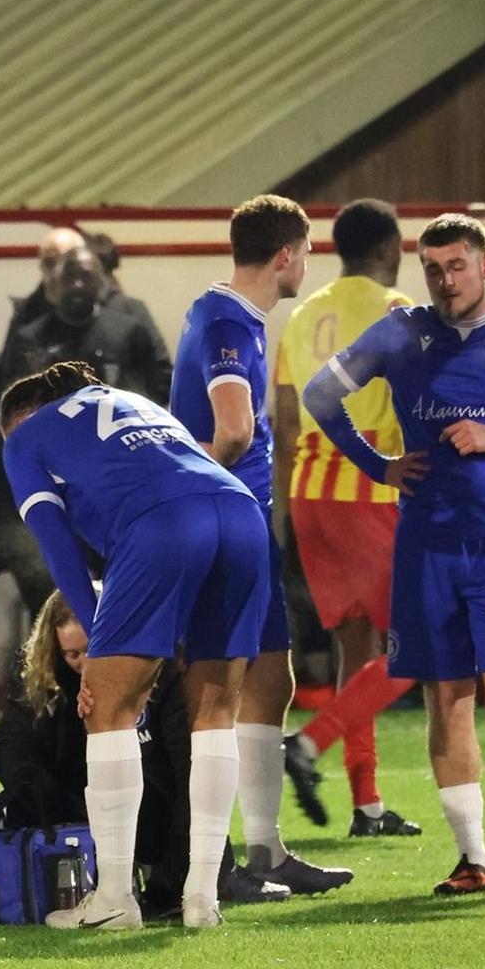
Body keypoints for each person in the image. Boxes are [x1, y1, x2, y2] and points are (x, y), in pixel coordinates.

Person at [303, 213, 485, 896]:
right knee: (447, 700)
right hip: (426, 547)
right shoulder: (402, 332)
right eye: (432, 268)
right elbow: (319, 394)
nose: (444, 279)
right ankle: (472, 857)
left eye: (456, 265)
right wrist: (379, 466)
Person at [1, 360, 268, 930]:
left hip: (162, 523)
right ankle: (202, 899)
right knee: (216, 712)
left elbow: (58, 547)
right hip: (241, 513)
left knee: (107, 711)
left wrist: (99, 640)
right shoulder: (130, 402)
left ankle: (117, 898)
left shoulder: (25, 437)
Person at [168, 195, 353, 896]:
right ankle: (212, 864)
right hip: (227, 522)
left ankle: (266, 850)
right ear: (285, 255)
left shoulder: (233, 317)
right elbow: (236, 429)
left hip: (243, 523)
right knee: (217, 687)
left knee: (271, 681)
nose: (306, 264)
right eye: (305, 252)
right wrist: (200, 496)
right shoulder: (224, 319)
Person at [0, 591, 288, 917]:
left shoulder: (163, 671)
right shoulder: (40, 678)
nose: (86, 664)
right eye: (72, 655)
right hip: (75, 810)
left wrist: (169, 882)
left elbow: (189, 772)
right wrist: (53, 803)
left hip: (157, 815)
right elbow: (8, 749)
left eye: (92, 650)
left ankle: (212, 873)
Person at [272, 198, 423, 838]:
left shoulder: (301, 315)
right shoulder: (398, 312)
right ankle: (309, 742)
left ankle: (367, 807)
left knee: (355, 648)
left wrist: (282, 519)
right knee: (426, 640)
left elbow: (281, 424)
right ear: (389, 247)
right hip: (370, 489)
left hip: (309, 493)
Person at [0, 246, 173, 402]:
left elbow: (159, 385)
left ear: (101, 282)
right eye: (69, 277)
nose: (77, 285)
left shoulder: (130, 332)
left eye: (86, 276)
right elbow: (13, 398)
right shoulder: (31, 339)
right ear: (53, 285)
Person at [5, 225, 89, 339]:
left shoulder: (104, 312)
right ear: (41, 266)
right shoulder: (25, 315)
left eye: (67, 264)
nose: (57, 272)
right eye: (50, 263)